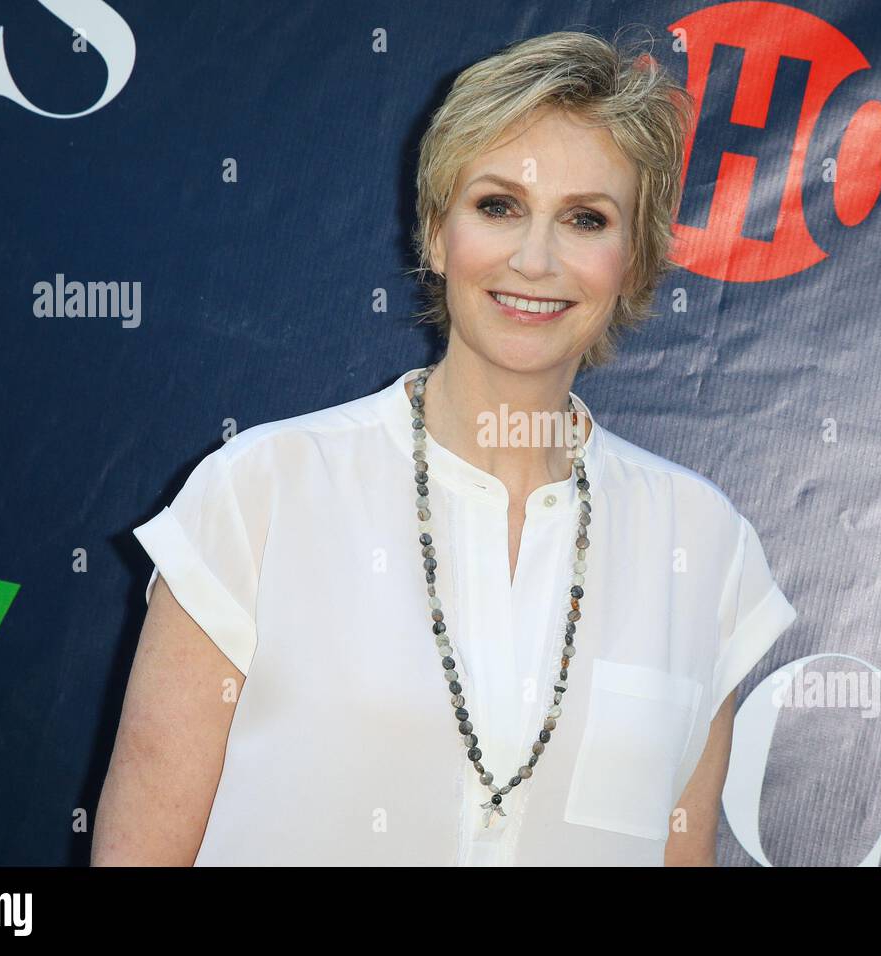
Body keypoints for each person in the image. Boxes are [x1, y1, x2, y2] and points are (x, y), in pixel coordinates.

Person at [91, 29, 797, 867]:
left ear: (634, 260)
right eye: (498, 206)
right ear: (435, 234)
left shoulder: (702, 545)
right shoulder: (262, 493)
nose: (534, 259)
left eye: (585, 218)